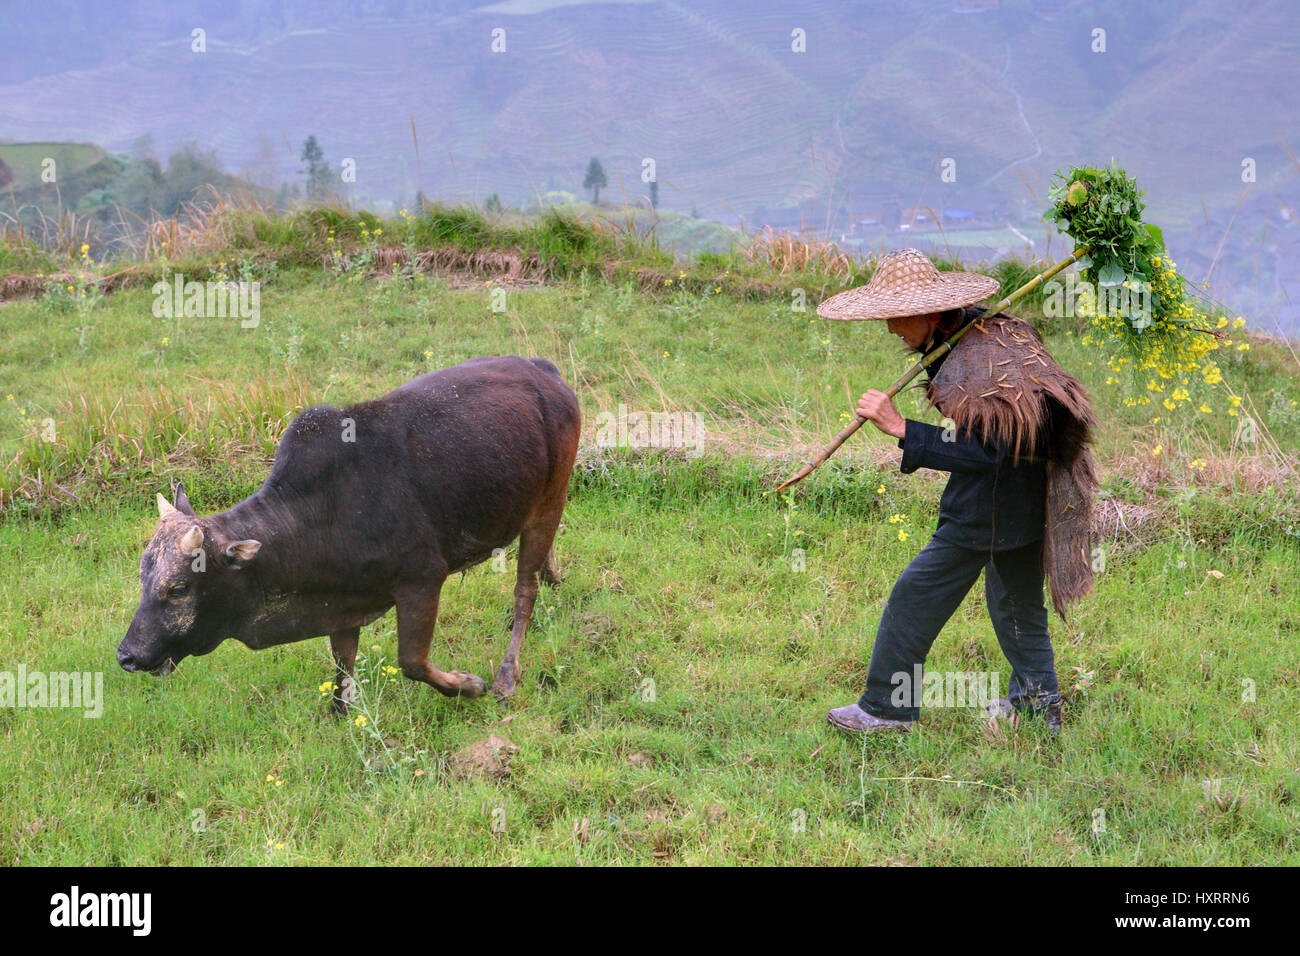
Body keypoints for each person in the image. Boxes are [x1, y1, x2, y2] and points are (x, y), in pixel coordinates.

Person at [815, 249, 1098, 734]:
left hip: (990, 506)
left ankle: (885, 710)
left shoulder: (973, 357)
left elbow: (987, 451)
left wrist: (904, 429)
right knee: (1014, 603)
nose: (890, 329)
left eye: (896, 318)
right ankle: (1038, 707)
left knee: (915, 598)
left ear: (928, 311)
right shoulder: (977, 336)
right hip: (1026, 501)